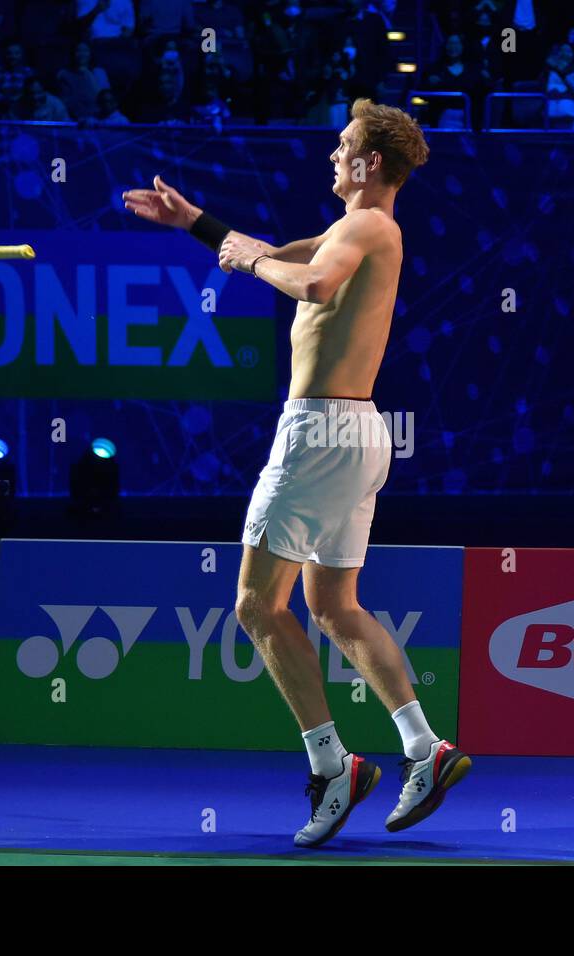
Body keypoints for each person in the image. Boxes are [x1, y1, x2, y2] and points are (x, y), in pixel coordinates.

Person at [122, 99, 470, 848]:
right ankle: (422, 747)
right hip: (357, 433)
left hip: (319, 433)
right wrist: (198, 224)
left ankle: (332, 764)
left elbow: (311, 284)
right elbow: (284, 253)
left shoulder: (368, 226)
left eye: (343, 146)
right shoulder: (365, 228)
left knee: (254, 603)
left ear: (371, 163)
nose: (332, 156)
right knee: (335, 606)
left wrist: (248, 261)